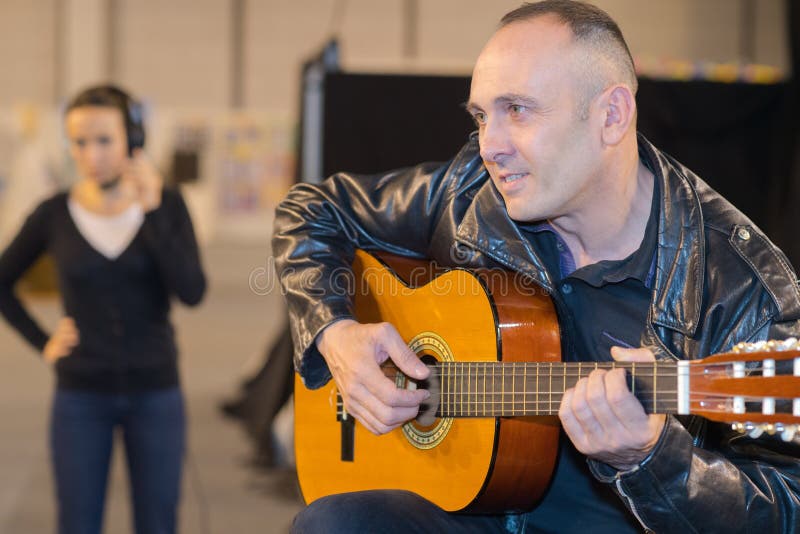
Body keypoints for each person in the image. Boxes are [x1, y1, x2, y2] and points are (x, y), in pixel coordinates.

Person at [272, 1, 800, 533]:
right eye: (481, 116)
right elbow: (312, 210)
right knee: (334, 523)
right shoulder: (470, 193)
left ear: (611, 115)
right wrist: (335, 333)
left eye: (518, 110)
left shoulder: (740, 286)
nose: (490, 146)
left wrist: (652, 460)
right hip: (480, 513)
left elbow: (786, 509)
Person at [0, 85, 206, 534]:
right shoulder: (53, 214)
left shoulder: (167, 206)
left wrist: (150, 210)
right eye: (79, 141)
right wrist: (44, 342)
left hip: (156, 393)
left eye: (104, 140)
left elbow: (192, 291)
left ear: (133, 140)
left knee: (158, 522)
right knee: (77, 522)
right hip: (80, 396)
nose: (91, 154)